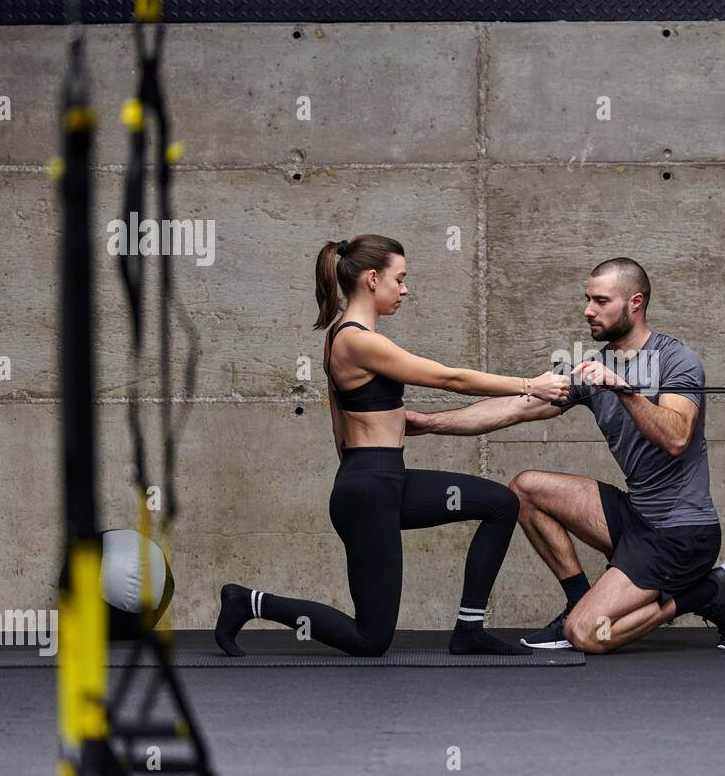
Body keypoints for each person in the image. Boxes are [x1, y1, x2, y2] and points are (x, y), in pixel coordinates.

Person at [214, 234, 569, 657]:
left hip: (380, 482)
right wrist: (532, 384)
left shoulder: (339, 339)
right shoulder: (356, 340)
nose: (404, 289)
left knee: (499, 503)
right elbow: (448, 379)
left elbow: (339, 425)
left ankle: (469, 630)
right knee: (371, 638)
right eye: (399, 279)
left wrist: (387, 436)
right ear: (371, 279)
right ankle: (247, 601)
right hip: (369, 490)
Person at [406, 257, 725, 654]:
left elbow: (676, 436)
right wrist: (428, 422)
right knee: (524, 489)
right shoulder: (595, 367)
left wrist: (625, 391)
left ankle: (707, 592)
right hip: (636, 517)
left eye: (600, 301)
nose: (588, 310)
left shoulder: (677, 360)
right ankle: (577, 599)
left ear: (634, 302)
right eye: (588, 299)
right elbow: (515, 407)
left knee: (587, 634)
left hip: (681, 533)